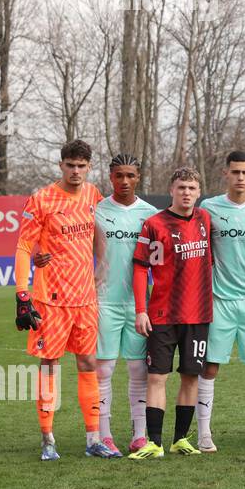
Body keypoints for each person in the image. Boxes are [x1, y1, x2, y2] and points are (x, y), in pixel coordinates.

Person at [15, 139, 108, 460]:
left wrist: (102, 266)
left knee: (88, 364)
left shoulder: (94, 194)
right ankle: (48, 439)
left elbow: (98, 232)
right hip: (50, 300)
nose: (76, 171)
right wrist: (22, 294)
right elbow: (25, 247)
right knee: (50, 365)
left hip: (85, 300)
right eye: (71, 165)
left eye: (82, 166)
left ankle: (93, 440)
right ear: (61, 166)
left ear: (89, 167)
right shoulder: (41, 199)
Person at [128, 168, 215, 458]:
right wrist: (141, 310)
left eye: (192, 187)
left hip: (199, 314)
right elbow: (141, 267)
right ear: (172, 190)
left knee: (191, 376)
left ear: (199, 192)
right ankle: (154, 442)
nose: (186, 193)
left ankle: (180, 439)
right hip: (162, 314)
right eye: (181, 188)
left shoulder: (205, 220)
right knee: (157, 377)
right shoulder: (154, 224)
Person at [199, 151, 245, 451]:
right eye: (235, 172)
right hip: (219, 300)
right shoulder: (209, 207)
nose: (240, 177)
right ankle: (204, 433)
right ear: (226, 174)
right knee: (210, 366)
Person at [92, 153, 158, 455]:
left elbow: (158, 264)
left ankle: (139, 435)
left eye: (130, 175)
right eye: (119, 175)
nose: (124, 181)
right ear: (110, 177)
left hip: (139, 305)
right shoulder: (96, 211)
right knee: (103, 370)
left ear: (139, 177)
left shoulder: (151, 215)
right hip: (104, 301)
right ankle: (104, 435)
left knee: (138, 370)